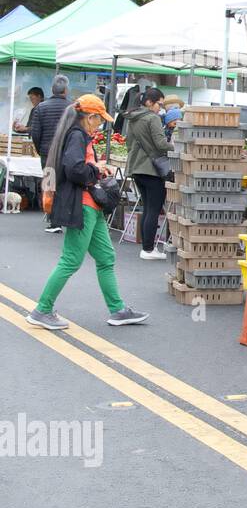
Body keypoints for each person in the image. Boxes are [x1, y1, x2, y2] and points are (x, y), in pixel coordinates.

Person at [27, 95, 149, 331]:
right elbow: (74, 169)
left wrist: (94, 168)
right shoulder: (77, 135)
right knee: (71, 260)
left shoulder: (74, 133)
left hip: (88, 206)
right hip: (83, 205)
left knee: (106, 257)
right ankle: (42, 309)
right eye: (99, 119)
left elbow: (72, 168)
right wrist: (96, 168)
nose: (100, 124)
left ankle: (118, 310)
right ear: (90, 117)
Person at [125, 87, 170, 260]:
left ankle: (147, 247)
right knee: (154, 209)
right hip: (151, 169)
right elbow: (160, 143)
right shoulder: (153, 118)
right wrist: (177, 146)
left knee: (147, 208)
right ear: (150, 102)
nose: (161, 107)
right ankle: (149, 249)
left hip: (136, 167)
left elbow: (129, 143)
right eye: (159, 103)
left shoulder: (133, 117)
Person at [28, 75, 73, 233]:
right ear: (65, 90)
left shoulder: (41, 107)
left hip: (47, 152)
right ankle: (64, 218)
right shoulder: (72, 107)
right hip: (67, 151)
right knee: (64, 184)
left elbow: (35, 133)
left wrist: (40, 149)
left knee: (49, 185)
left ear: (52, 90)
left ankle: (53, 220)